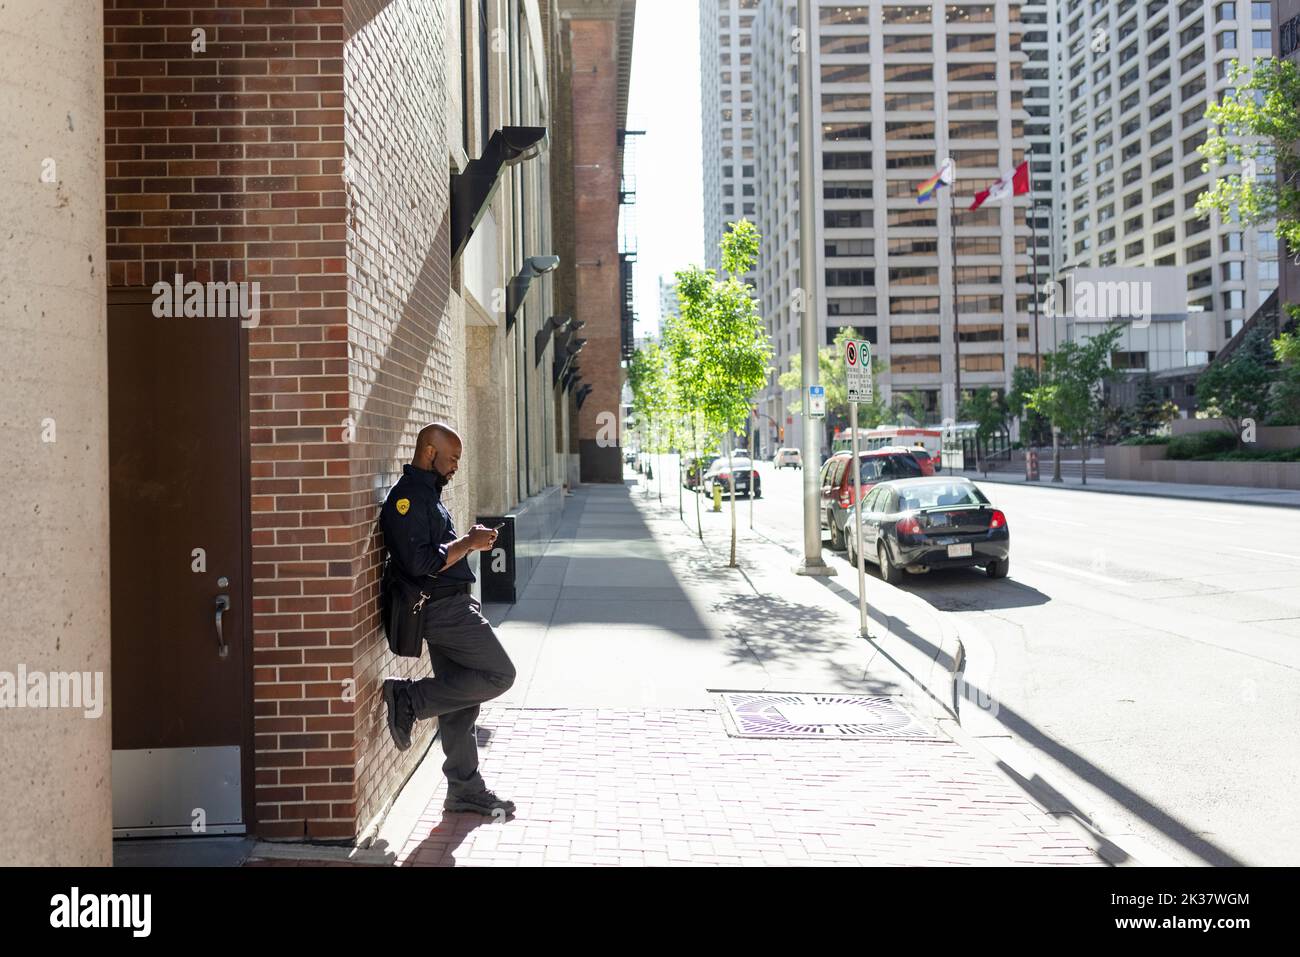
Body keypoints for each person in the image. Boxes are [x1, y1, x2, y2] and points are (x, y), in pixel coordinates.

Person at [380, 422, 517, 817]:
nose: (456, 466)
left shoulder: (428, 495)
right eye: (452, 458)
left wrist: (469, 544)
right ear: (429, 452)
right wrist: (468, 543)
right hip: (443, 611)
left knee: (460, 705)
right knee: (499, 674)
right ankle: (409, 698)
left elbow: (442, 554)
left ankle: (464, 790)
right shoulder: (406, 500)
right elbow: (421, 563)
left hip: (451, 605)